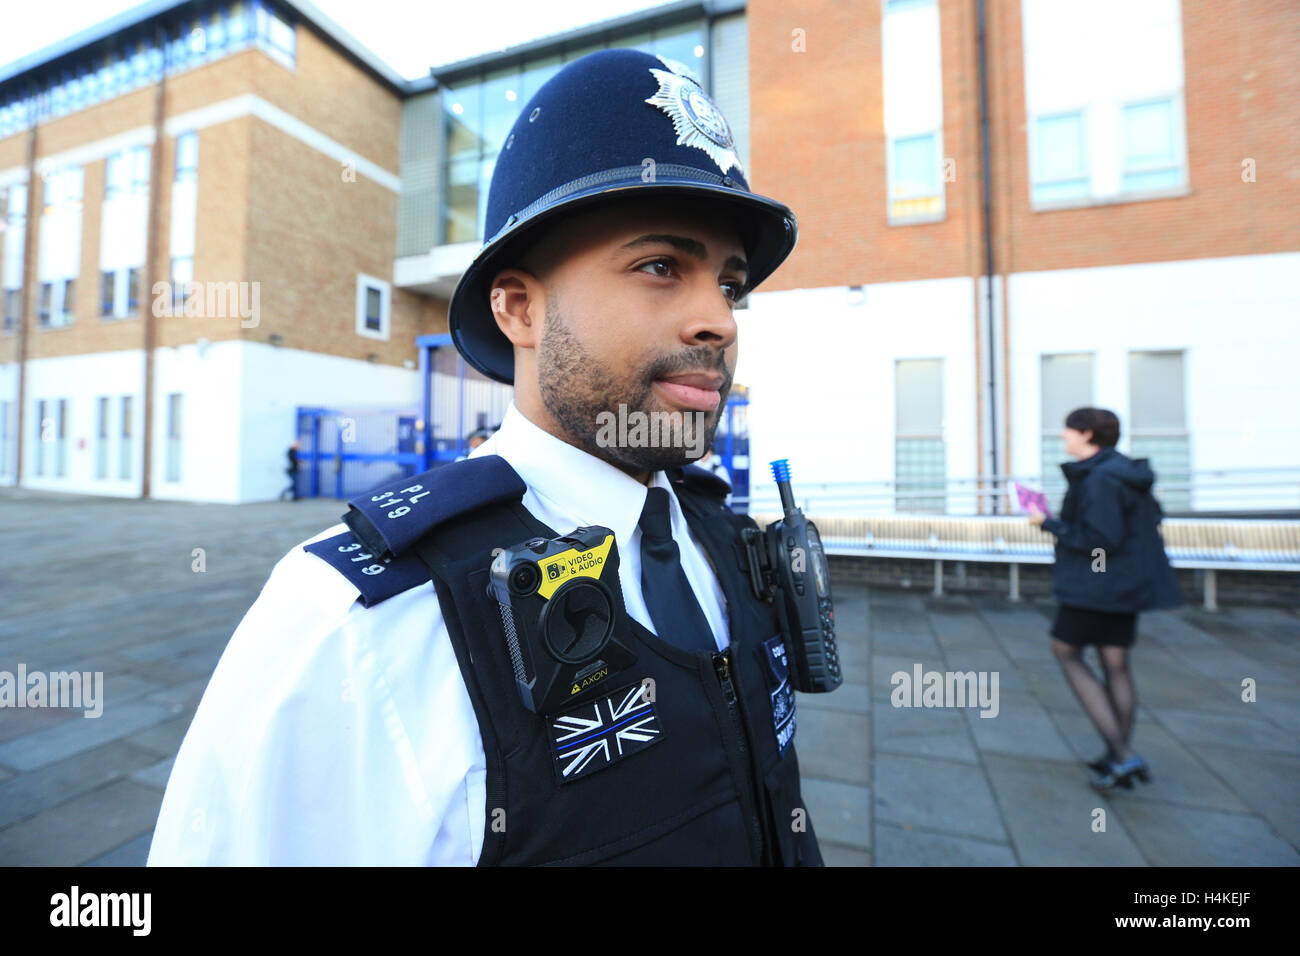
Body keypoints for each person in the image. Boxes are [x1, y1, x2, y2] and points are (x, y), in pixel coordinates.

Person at [148, 49, 820, 865]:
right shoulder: (362, 628)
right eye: (659, 266)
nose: (718, 319)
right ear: (518, 307)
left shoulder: (726, 541)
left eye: (730, 284)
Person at [1027, 407, 1183, 791]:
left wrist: (1047, 523)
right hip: (1127, 586)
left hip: (1096, 589)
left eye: (1067, 430)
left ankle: (1123, 755)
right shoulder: (1123, 472)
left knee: (1066, 651)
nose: (1062, 436)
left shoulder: (1099, 479)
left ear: (1086, 435)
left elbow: (1101, 541)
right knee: (1115, 665)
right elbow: (1149, 519)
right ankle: (1117, 756)